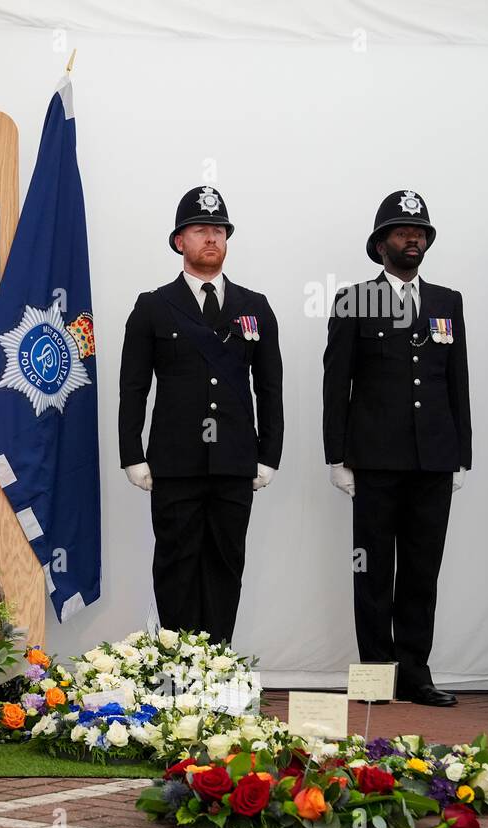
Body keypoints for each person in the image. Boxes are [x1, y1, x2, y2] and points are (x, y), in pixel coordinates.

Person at [322, 189, 470, 707]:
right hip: (375, 462)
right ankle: (375, 677)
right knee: (372, 570)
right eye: (403, 231)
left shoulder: (446, 301)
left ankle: (415, 674)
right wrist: (336, 456)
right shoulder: (354, 299)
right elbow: (335, 381)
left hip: (433, 459)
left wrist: (461, 454)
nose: (414, 238)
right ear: (381, 242)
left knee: (421, 571)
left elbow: (457, 381)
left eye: (421, 231)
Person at [118, 186, 284, 646]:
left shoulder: (255, 307)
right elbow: (133, 386)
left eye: (218, 230)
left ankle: (216, 666)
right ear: (179, 242)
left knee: (226, 564)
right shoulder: (153, 306)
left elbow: (269, 387)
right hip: (175, 462)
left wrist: (268, 454)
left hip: (234, 461)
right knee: (176, 564)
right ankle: (178, 669)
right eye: (199, 230)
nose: (211, 238)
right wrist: (132, 453)